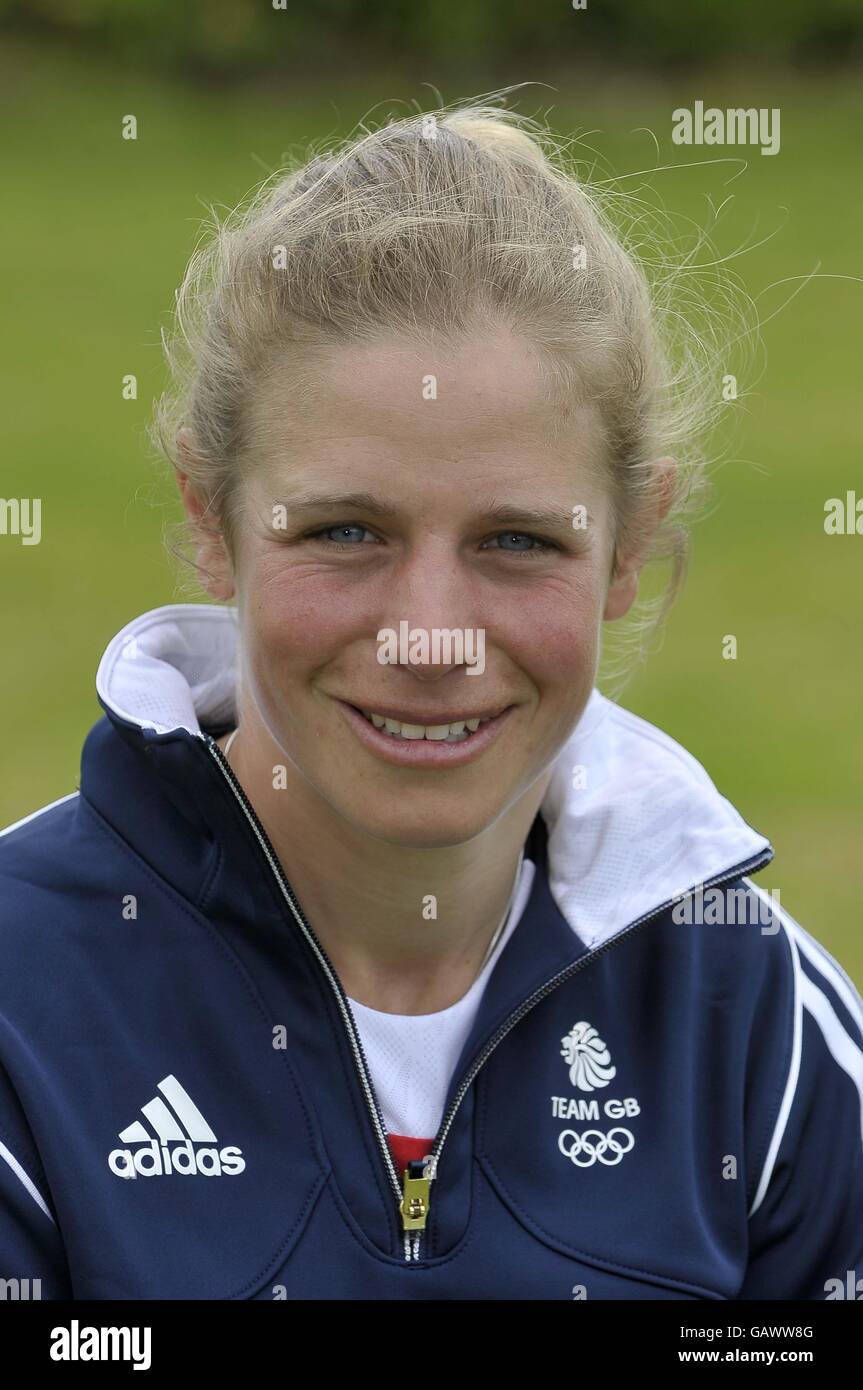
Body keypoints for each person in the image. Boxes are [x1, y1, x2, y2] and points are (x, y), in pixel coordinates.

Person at [1, 98, 861, 1301]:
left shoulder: (754, 1027)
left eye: (515, 540)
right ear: (213, 521)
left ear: (627, 548)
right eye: (346, 530)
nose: (428, 631)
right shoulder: (22, 999)